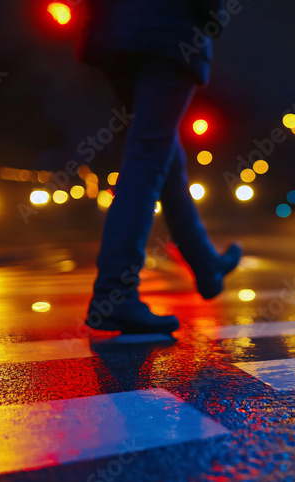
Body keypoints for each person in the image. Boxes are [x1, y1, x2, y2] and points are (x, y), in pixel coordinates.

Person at [77, 0, 240, 334]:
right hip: (168, 33)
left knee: (161, 150)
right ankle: (115, 293)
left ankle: (206, 264)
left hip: (115, 32)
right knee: (148, 153)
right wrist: (213, 17)